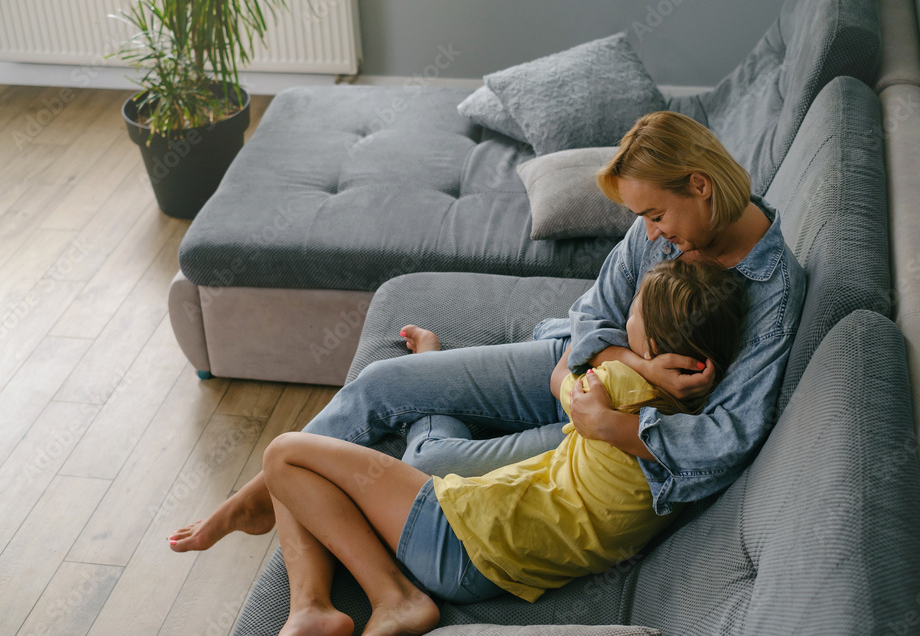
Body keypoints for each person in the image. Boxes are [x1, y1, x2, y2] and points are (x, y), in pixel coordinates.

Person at [171, 109, 804, 563]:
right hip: (579, 374)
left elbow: (729, 439)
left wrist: (613, 421)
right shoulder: (657, 231)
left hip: (618, 442)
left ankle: (319, 462)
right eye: (641, 219)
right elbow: (591, 316)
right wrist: (620, 368)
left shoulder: (771, 287)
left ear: (699, 184)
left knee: (433, 464)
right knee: (382, 383)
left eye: (655, 215)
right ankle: (258, 496)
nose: (650, 234)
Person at [171, 260, 747, 636]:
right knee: (412, 453)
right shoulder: (695, 428)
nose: (622, 326)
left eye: (634, 323)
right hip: (497, 553)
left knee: (286, 456)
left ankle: (382, 598)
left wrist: (634, 364)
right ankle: (309, 608)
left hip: (458, 535)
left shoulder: (618, 388)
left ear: (663, 357)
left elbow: (563, 371)